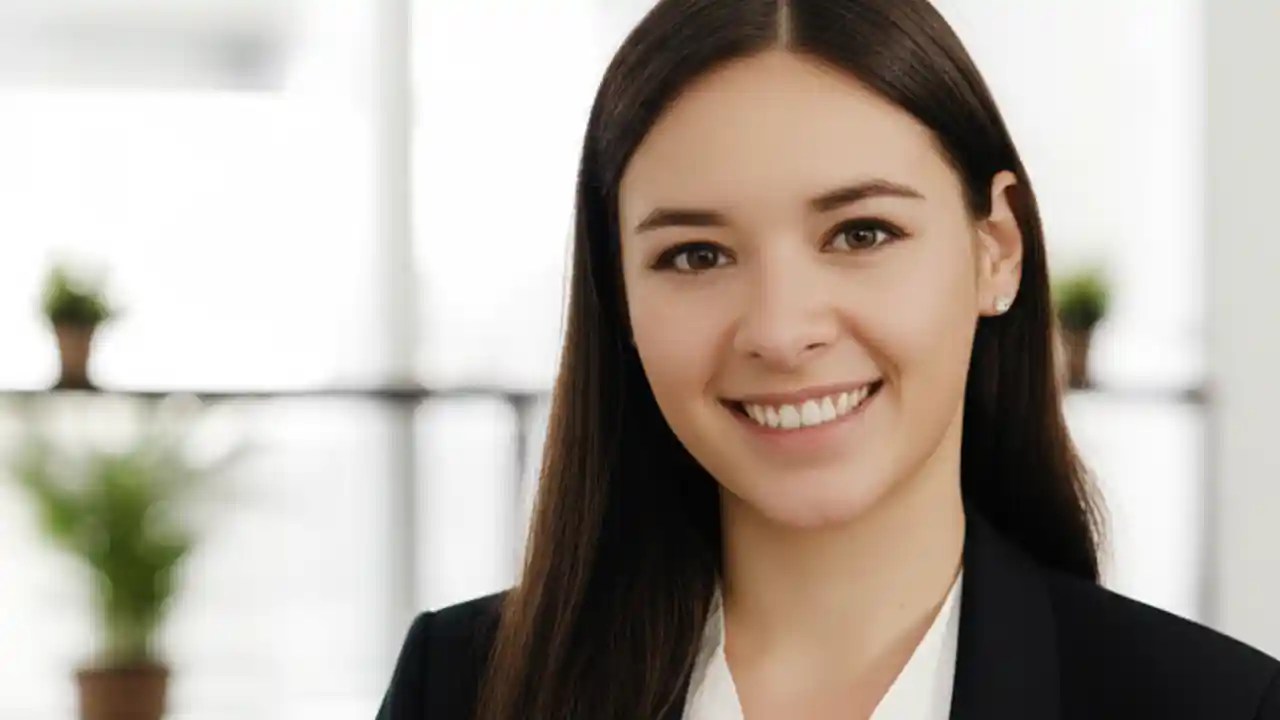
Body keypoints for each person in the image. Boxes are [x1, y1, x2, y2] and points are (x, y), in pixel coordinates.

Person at [376, 0, 1280, 718]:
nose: (780, 328)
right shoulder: (458, 690)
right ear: (619, 295)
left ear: (996, 249)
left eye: (861, 232)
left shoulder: (1214, 704)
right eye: (696, 254)